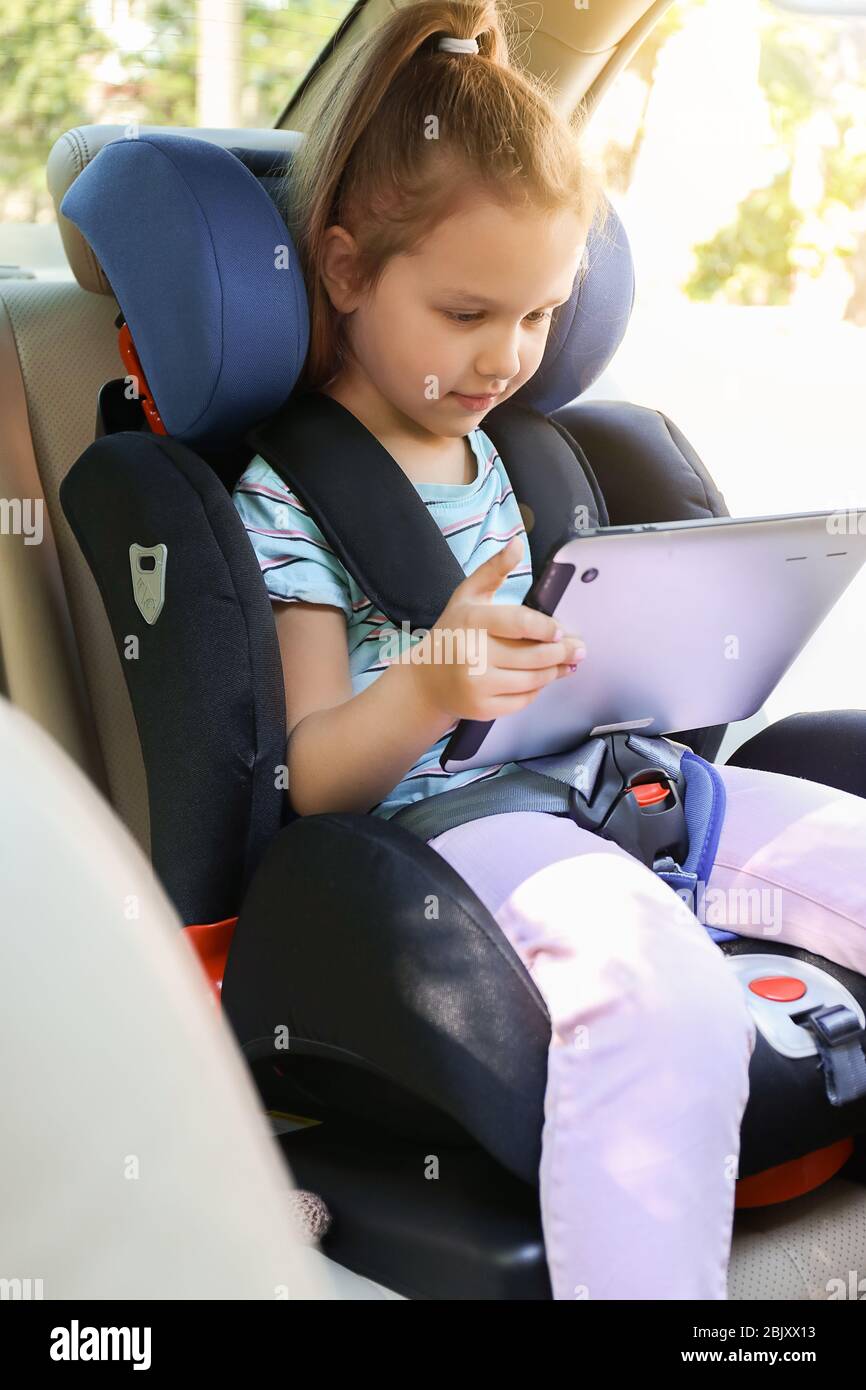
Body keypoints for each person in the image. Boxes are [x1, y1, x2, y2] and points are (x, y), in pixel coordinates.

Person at [231, 0, 866, 1299]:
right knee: (662, 1002)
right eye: (467, 311)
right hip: (436, 829)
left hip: (590, 779)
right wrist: (427, 680)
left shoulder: (524, 456)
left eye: (537, 317)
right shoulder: (285, 496)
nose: (505, 357)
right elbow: (314, 776)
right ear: (346, 270)